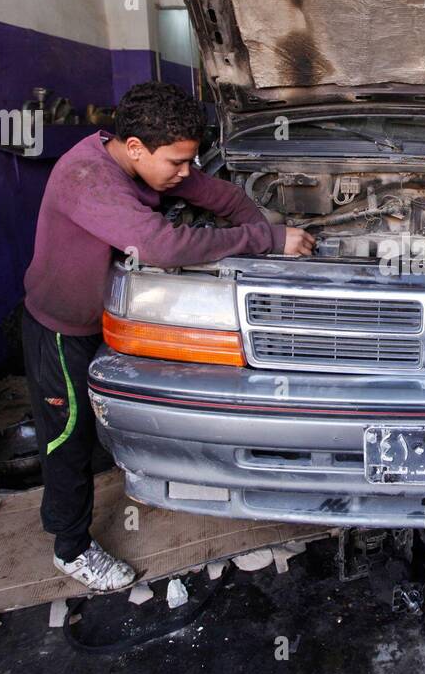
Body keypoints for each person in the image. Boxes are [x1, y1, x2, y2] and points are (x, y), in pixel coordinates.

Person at [21, 82, 314, 590]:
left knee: (98, 423)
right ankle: (71, 548)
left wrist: (264, 236)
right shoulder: (86, 177)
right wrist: (264, 238)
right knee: (66, 435)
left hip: (112, 321)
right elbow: (159, 244)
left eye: (190, 160)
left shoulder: (150, 162)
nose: (185, 172)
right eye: (177, 162)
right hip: (63, 329)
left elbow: (217, 193)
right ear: (134, 147)